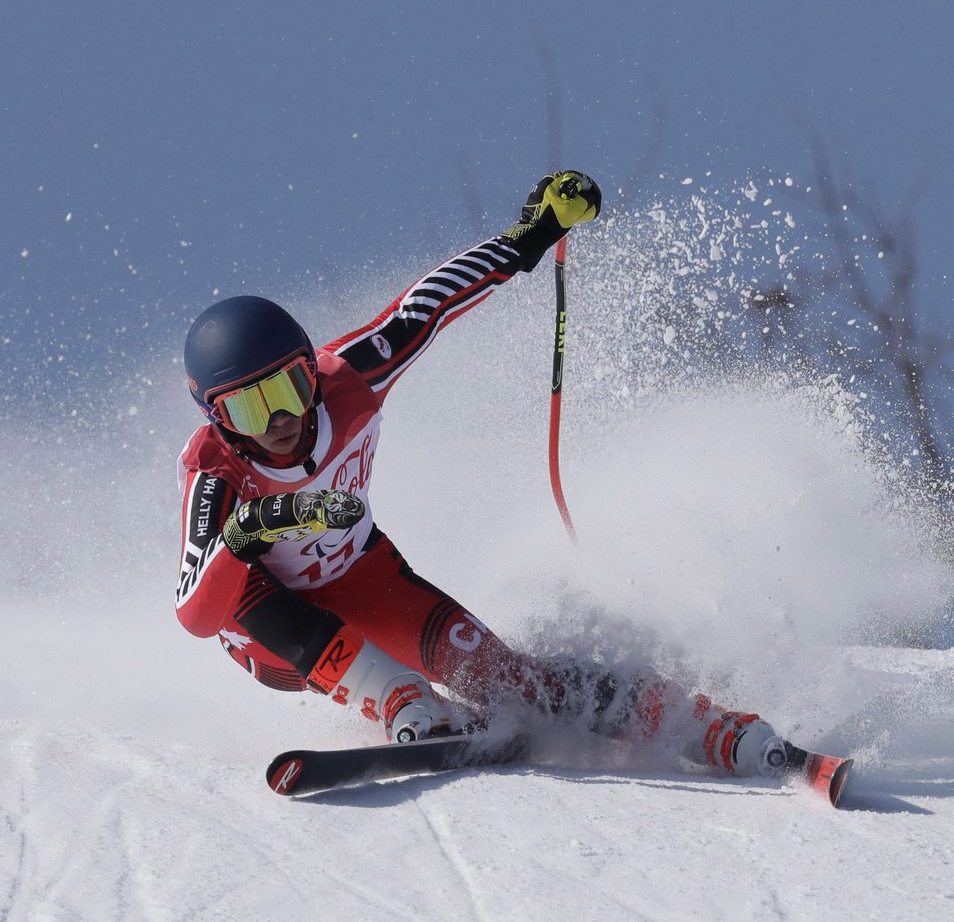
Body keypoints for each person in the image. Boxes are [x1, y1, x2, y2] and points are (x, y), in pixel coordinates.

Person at [174, 172, 791, 779]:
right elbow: (196, 615)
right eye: (249, 407)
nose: (280, 417)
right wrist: (249, 530)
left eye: (289, 387)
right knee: (246, 600)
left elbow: (428, 305)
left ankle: (699, 724)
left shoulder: (349, 380)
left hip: (362, 577)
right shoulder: (215, 473)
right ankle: (400, 700)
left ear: (311, 369)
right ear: (217, 417)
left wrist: (532, 234)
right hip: (271, 634)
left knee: (512, 681)